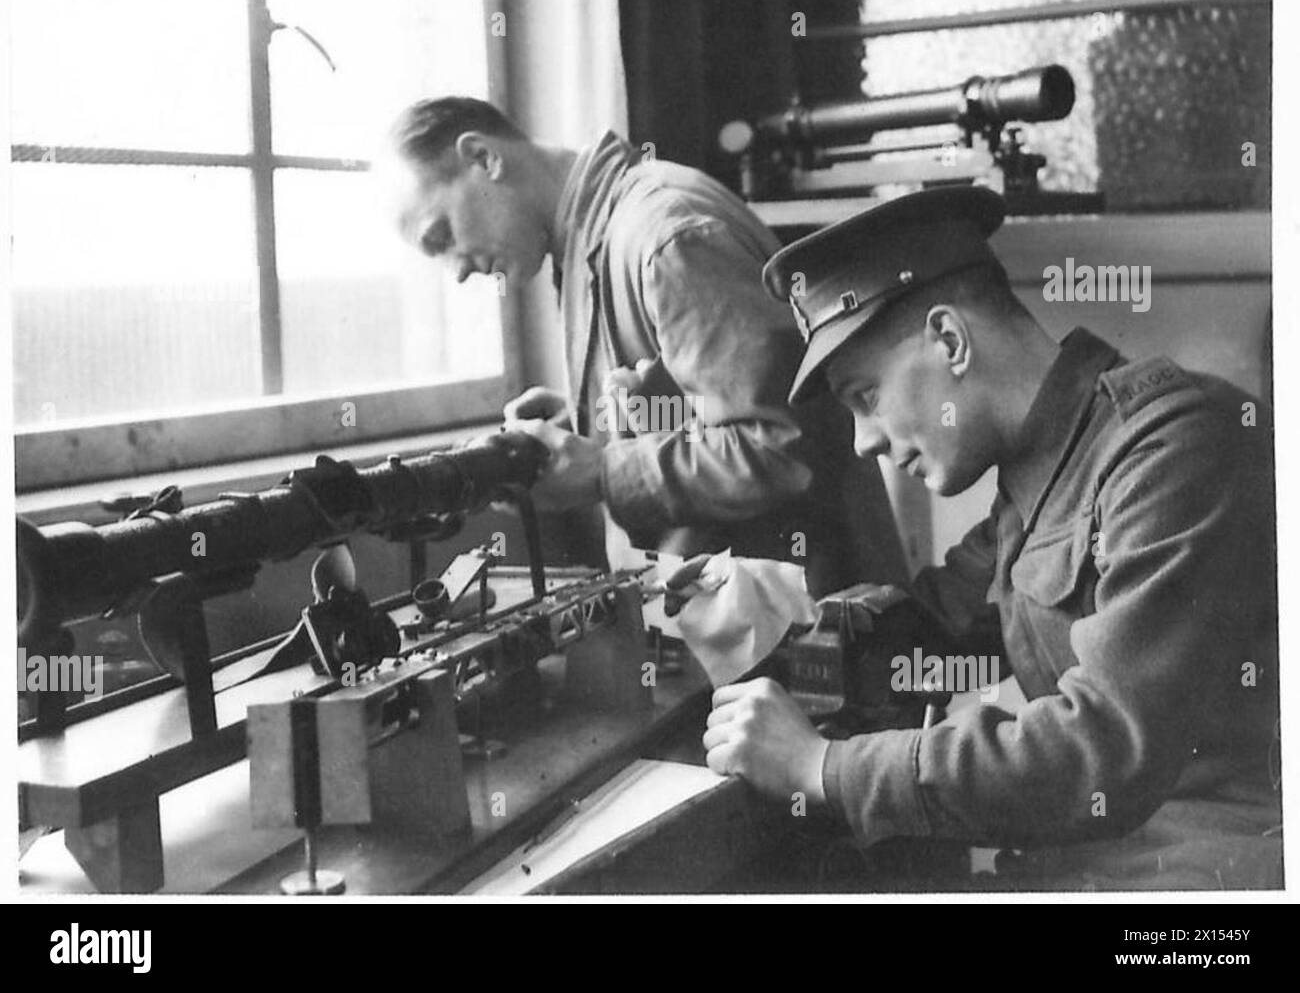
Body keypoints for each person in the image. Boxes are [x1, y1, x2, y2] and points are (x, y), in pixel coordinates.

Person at [702, 185, 1281, 890]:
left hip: (1220, 865)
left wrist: (823, 768)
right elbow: (940, 615)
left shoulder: (1173, 453)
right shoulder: (1043, 474)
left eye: (865, 396)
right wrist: (779, 619)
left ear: (950, 339)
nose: (863, 441)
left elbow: (1104, 747)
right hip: (1107, 852)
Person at [381, 97, 906, 595]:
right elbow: (706, 402)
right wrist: (590, 420)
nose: (456, 271)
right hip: (735, 620)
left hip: (807, 632)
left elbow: (784, 449)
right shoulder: (595, 238)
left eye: (442, 236)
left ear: (483, 157)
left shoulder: (666, 236)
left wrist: (603, 471)